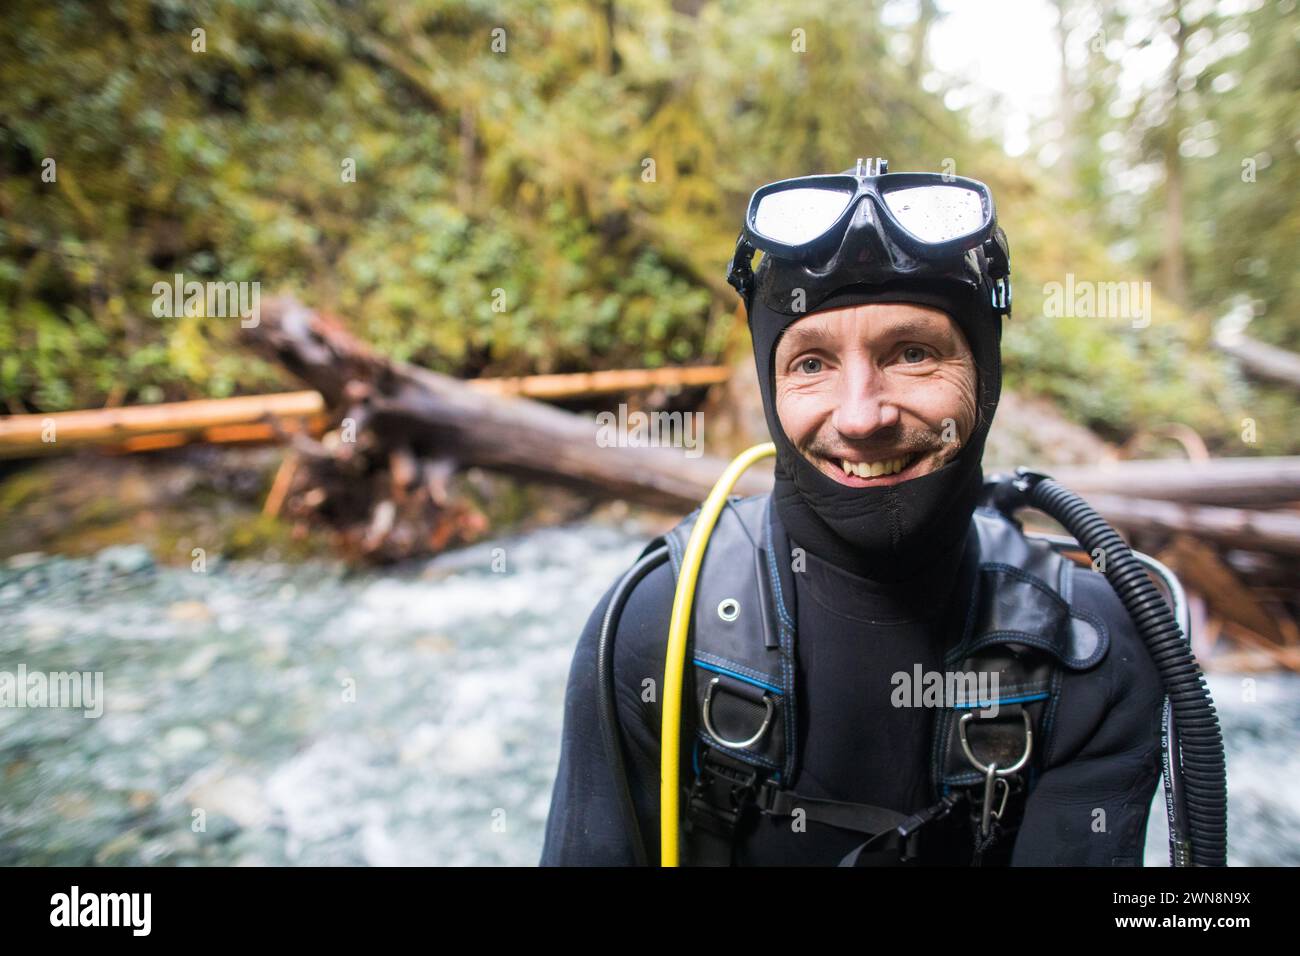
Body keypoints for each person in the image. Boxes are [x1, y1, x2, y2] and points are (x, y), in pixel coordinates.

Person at [540, 159, 1166, 866]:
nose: (862, 416)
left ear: (986, 375)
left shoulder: (1088, 653)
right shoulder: (657, 627)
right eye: (811, 363)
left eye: (913, 353)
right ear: (771, 390)